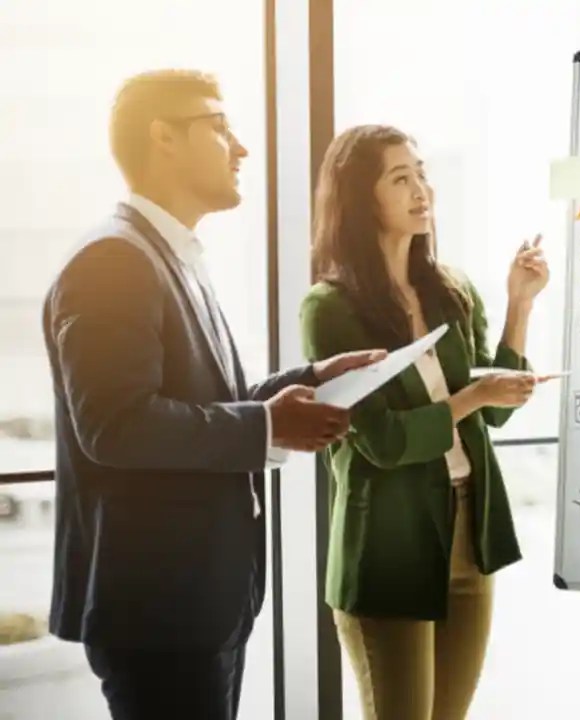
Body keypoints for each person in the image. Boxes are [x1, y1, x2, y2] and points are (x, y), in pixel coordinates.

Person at [41, 70, 383, 720]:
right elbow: (115, 425)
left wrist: (307, 381)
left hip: (200, 603)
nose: (242, 147)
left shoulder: (170, 257)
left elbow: (204, 403)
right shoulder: (112, 262)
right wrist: (264, 426)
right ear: (163, 138)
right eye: (220, 126)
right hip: (160, 610)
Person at [300, 124, 551, 720]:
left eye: (422, 173)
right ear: (362, 197)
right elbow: (383, 441)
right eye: (400, 178)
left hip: (469, 531)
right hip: (387, 546)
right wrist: (473, 395)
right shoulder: (331, 308)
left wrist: (520, 304)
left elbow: (492, 413)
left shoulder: (451, 289)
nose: (421, 190)